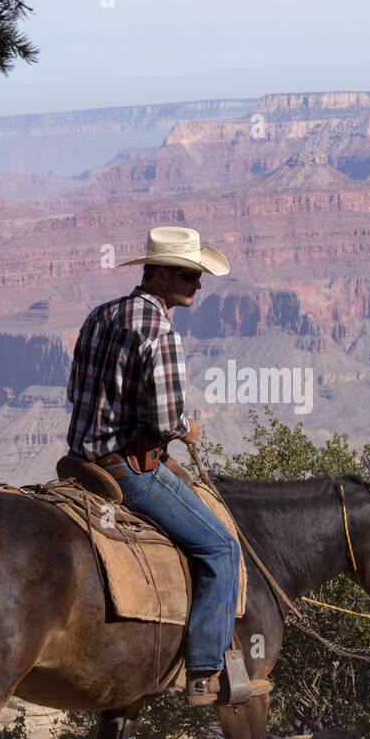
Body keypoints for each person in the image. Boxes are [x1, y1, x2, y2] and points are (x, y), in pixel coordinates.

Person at [65, 226, 248, 704]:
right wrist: (188, 429)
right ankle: (205, 671)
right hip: (129, 470)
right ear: (160, 272)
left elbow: (74, 392)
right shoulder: (160, 331)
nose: (198, 285)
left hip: (80, 463)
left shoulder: (100, 315)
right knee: (222, 549)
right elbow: (166, 420)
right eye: (189, 274)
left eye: (199, 275)